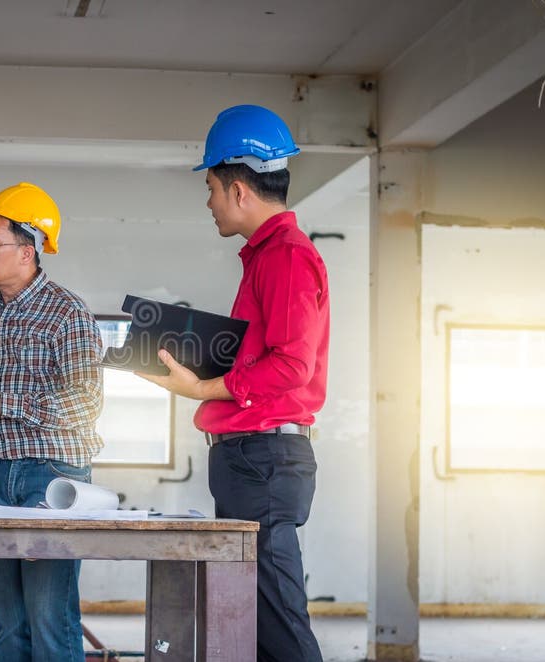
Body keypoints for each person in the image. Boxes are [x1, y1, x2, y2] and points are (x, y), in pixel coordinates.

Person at [140, 105, 329, 662]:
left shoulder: (287, 259)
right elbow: (271, 356)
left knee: (279, 627)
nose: (209, 201)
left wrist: (202, 390)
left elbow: (293, 365)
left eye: (211, 187)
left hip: (263, 459)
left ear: (239, 189)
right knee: (259, 624)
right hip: (255, 459)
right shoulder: (268, 259)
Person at [0, 182, 103, 662]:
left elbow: (86, 405)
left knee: (50, 619)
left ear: (28, 251)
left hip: (51, 477)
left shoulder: (67, 313)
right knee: (8, 625)